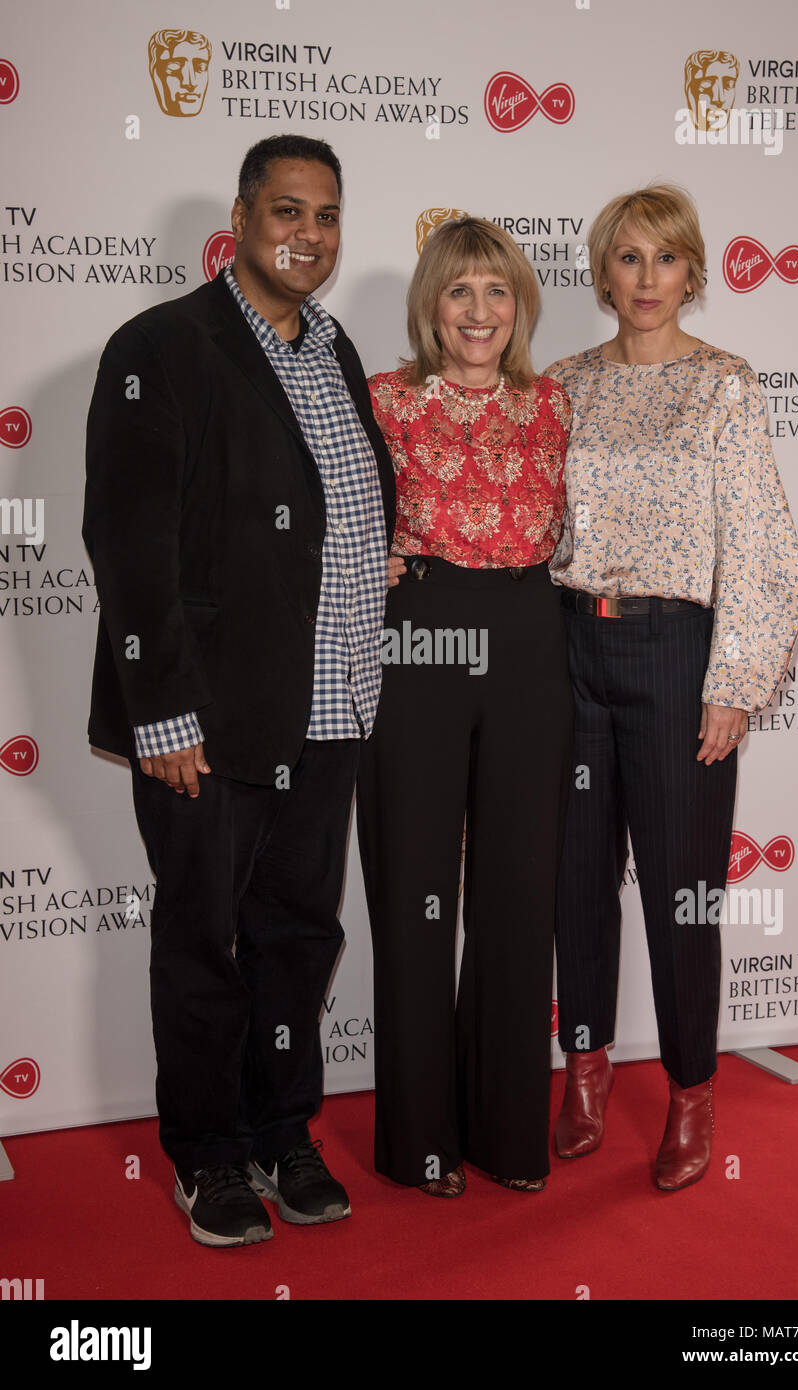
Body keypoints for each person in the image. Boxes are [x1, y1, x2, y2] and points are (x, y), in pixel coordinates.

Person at [83, 134, 395, 1246]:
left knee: (299, 936)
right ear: (241, 215)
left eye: (326, 215)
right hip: (208, 721)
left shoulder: (335, 349)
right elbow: (129, 543)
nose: (307, 235)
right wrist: (162, 709)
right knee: (206, 940)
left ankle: (281, 1129)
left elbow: (327, 509)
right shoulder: (162, 345)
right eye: (287, 211)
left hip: (330, 706)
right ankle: (207, 1152)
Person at [546, 184, 798, 1191]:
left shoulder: (724, 386)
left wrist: (733, 678)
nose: (646, 278)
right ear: (602, 272)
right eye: (627, 257)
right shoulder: (563, 383)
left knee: (681, 893)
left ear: (692, 272)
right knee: (574, 886)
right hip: (567, 650)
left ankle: (692, 1092)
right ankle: (585, 1072)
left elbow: (762, 546)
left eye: (664, 259)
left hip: (676, 654)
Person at [357, 216, 573, 1196]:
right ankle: (423, 1142)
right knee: (414, 886)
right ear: (430, 306)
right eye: (459, 292)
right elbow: (318, 511)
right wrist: (369, 562)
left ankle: (507, 1132)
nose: (479, 313)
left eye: (497, 292)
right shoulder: (385, 399)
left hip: (532, 634)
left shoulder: (559, 402)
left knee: (520, 888)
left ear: (519, 304)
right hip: (420, 636)